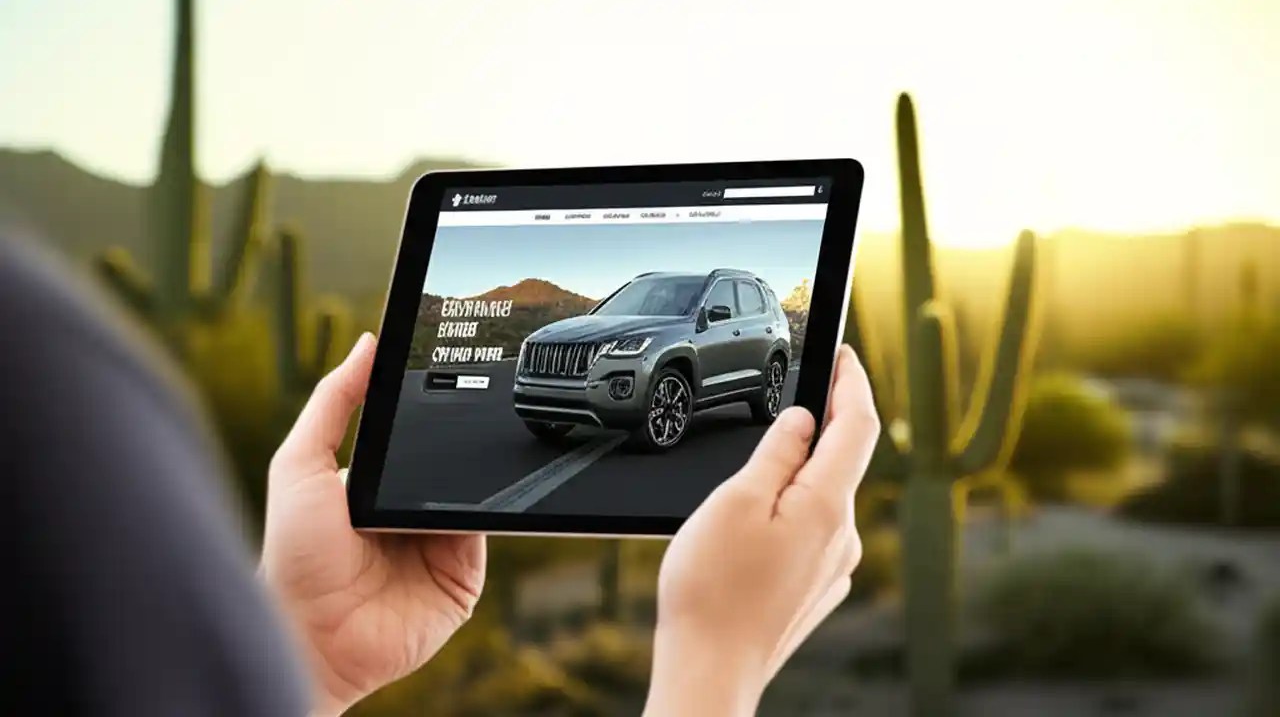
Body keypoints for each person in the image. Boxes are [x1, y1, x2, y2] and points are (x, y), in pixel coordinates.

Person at [2, 233, 878, 716]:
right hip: (586, 363)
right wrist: (720, 664)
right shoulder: (34, 344)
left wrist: (307, 652)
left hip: (707, 346)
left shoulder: (726, 313)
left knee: (677, 401)